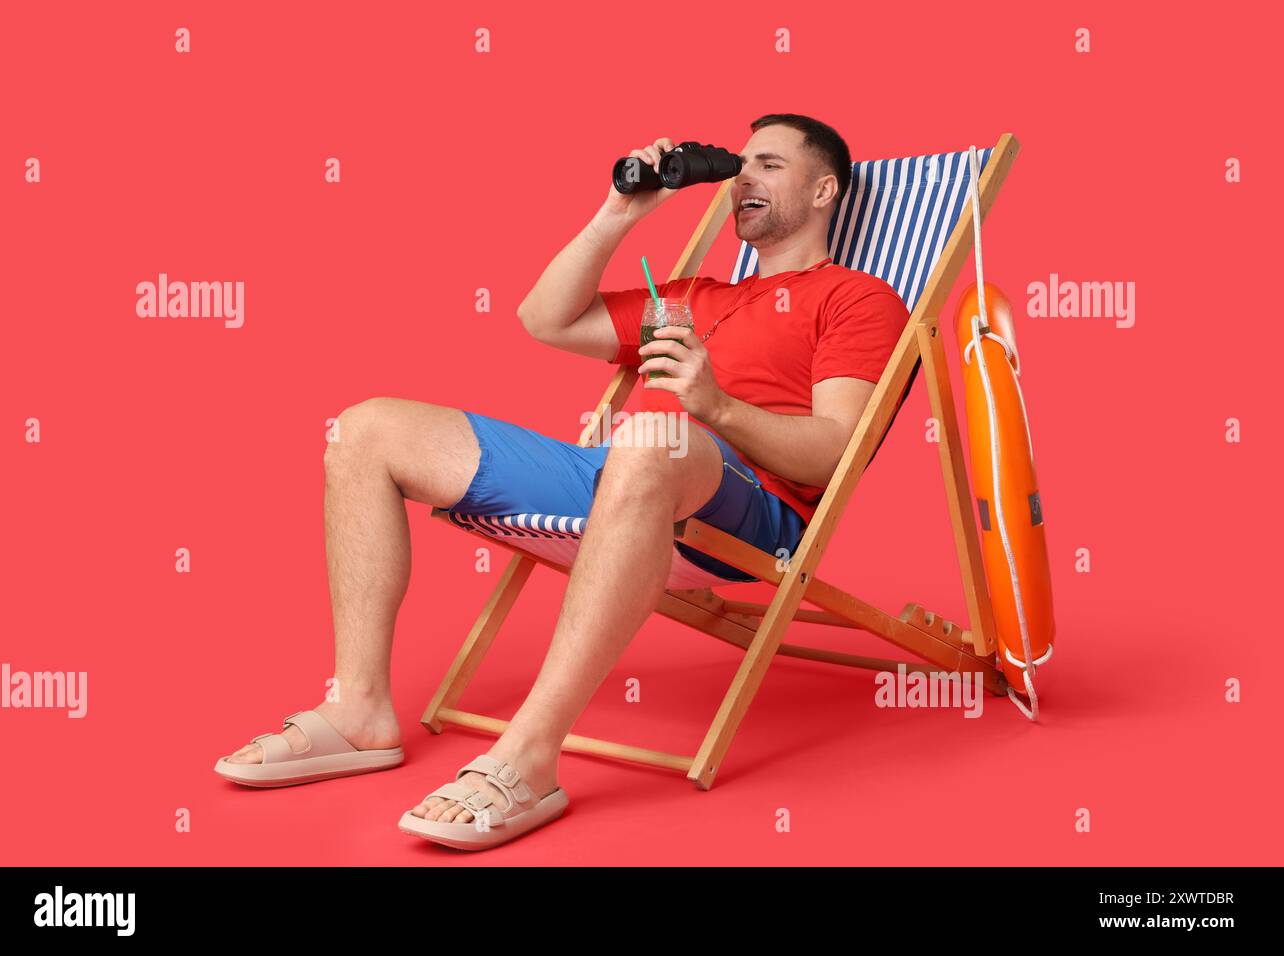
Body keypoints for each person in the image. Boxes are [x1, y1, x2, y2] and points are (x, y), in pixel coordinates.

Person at [214, 113, 910, 850]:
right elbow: (544, 318)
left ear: (825, 188)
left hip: (745, 510)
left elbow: (834, 452)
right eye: (742, 167)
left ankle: (529, 757)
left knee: (650, 434)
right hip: (621, 477)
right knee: (364, 428)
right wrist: (618, 214)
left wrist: (714, 406)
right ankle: (359, 711)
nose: (744, 179)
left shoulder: (857, 299)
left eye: (768, 165)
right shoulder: (693, 295)